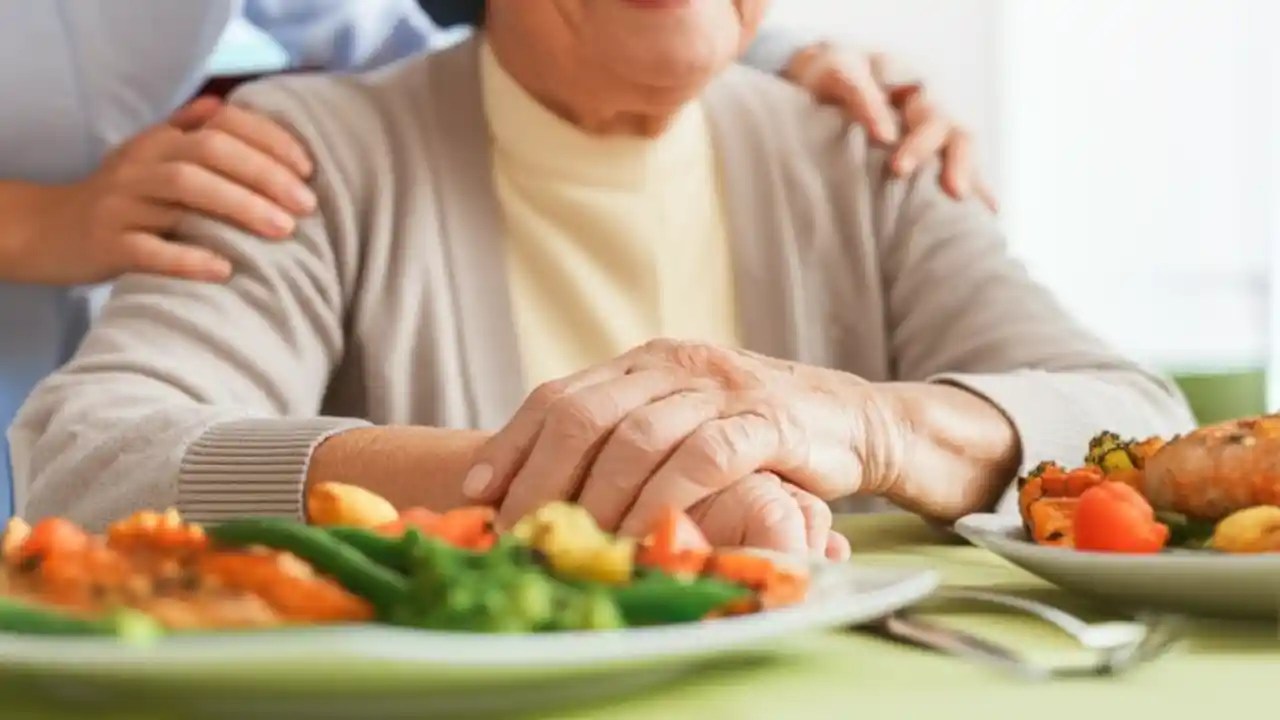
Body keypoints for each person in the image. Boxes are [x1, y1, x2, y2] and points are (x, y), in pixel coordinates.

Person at [14, 0, 1191, 560]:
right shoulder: (308, 152)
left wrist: (864, 424)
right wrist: (553, 488)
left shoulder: (862, 147)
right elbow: (87, 458)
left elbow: (1141, 427)